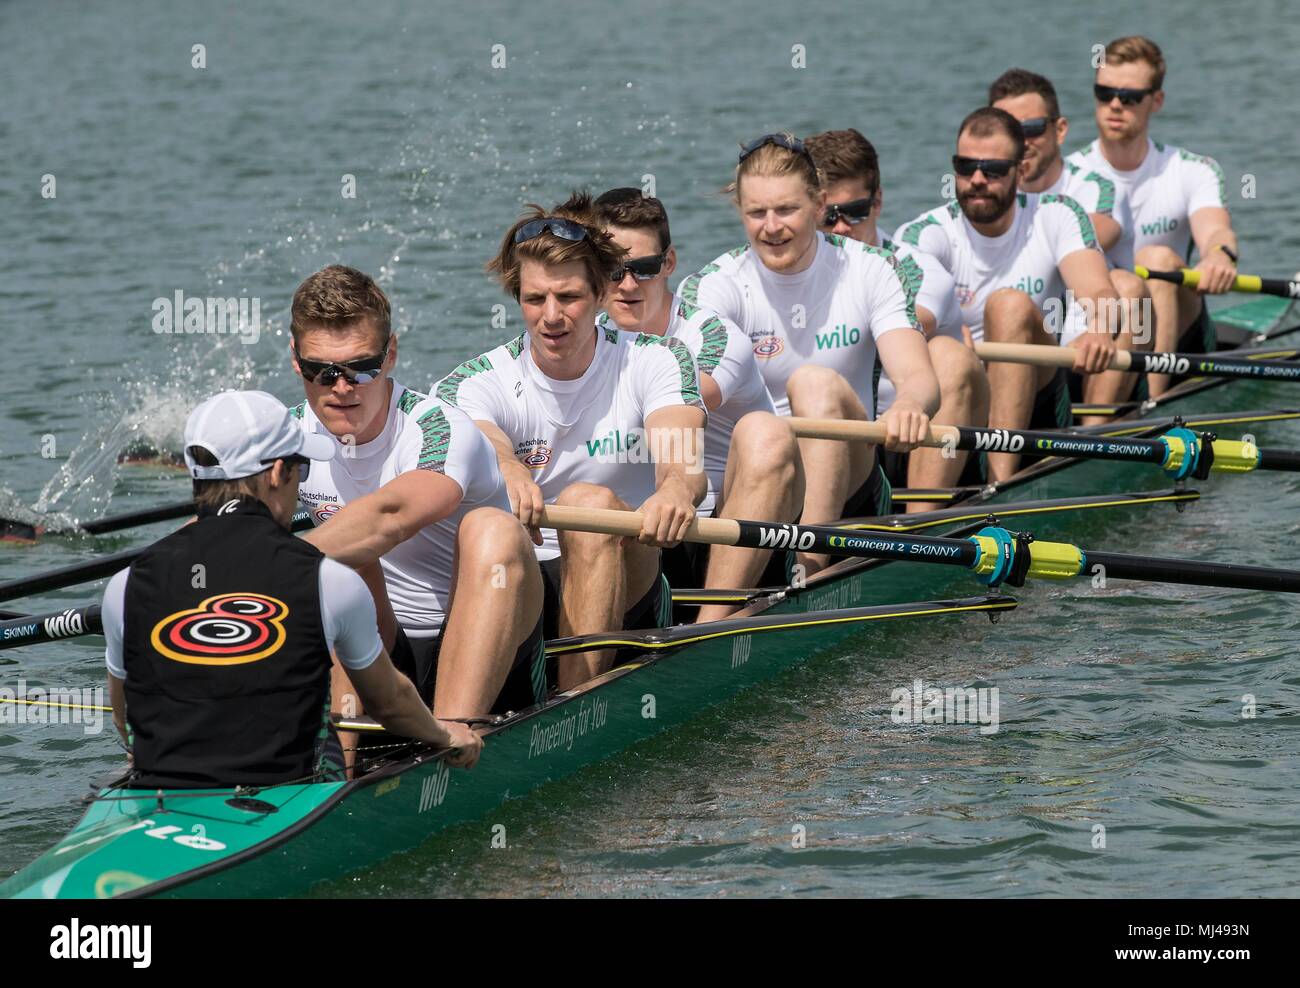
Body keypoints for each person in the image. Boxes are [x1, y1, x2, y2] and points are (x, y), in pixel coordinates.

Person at [103, 390, 481, 790]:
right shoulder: (329, 580)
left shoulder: (126, 585)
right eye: (301, 468)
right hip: (285, 793)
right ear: (277, 472)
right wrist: (445, 734)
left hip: (159, 790)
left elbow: (125, 721)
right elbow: (390, 703)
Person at [437, 193, 708, 688]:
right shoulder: (478, 381)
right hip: (523, 579)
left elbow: (683, 460)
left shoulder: (657, 359)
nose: (551, 316)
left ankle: (576, 703)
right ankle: (457, 726)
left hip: (629, 572)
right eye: (535, 299)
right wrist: (510, 467)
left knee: (590, 503)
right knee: (487, 534)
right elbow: (484, 436)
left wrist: (673, 491)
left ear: (603, 293)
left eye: (569, 298)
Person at [288, 265, 546, 727]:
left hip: (488, 643)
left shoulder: (437, 428)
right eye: (322, 372)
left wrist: (257, 565)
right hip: (382, 651)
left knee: (493, 530)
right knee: (347, 566)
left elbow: (390, 515)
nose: (343, 388)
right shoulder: (286, 440)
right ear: (296, 360)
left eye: (361, 368)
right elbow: (224, 517)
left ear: (390, 355)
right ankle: (330, 772)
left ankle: (451, 739)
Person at [680, 133, 940, 572]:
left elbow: (918, 377)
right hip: (755, 474)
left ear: (819, 205)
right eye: (756, 212)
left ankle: (812, 562)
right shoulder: (715, 285)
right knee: (764, 435)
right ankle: (717, 616)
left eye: (786, 210)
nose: (771, 226)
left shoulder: (871, 268)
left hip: (852, 471)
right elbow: (688, 390)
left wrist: (911, 405)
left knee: (813, 382)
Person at [592, 187, 803, 620]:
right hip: (637, 532)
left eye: (644, 268)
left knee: (767, 432)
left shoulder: (712, 337)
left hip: (726, 529)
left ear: (668, 263)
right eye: (613, 269)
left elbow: (667, 410)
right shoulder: (578, 334)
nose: (628, 285)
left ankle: (710, 626)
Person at [897, 108, 1119, 481]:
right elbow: (909, 317)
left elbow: (1098, 289)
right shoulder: (924, 234)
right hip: (961, 392)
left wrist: (1098, 328)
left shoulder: (1058, 214)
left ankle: (999, 481)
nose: (978, 180)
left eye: (994, 170)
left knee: (1008, 304)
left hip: (1042, 394)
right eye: (966, 167)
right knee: (944, 350)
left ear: (1021, 168)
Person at [805, 128, 989, 507]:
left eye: (855, 212)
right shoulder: (782, 279)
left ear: (878, 202)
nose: (842, 228)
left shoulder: (918, 269)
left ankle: (922, 526)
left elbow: (887, 333)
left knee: (948, 356)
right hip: (837, 437)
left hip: (920, 439)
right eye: (830, 215)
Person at [1067, 35, 1238, 396]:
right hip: (1101, 322)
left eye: (1129, 98)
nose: (1114, 105)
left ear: (1156, 101)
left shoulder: (1192, 169)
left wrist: (1218, 257)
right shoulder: (1068, 176)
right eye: (1104, 93)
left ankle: (1152, 400)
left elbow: (1216, 232)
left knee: (1155, 259)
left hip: (1180, 328)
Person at [989, 68, 1151, 418]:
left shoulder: (1096, 188)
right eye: (1008, 131)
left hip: (1097, 349)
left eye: (1030, 129)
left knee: (1128, 285)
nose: (1021, 143)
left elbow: (1082, 239)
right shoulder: (982, 194)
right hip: (1027, 351)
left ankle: (1094, 432)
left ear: (1059, 130)